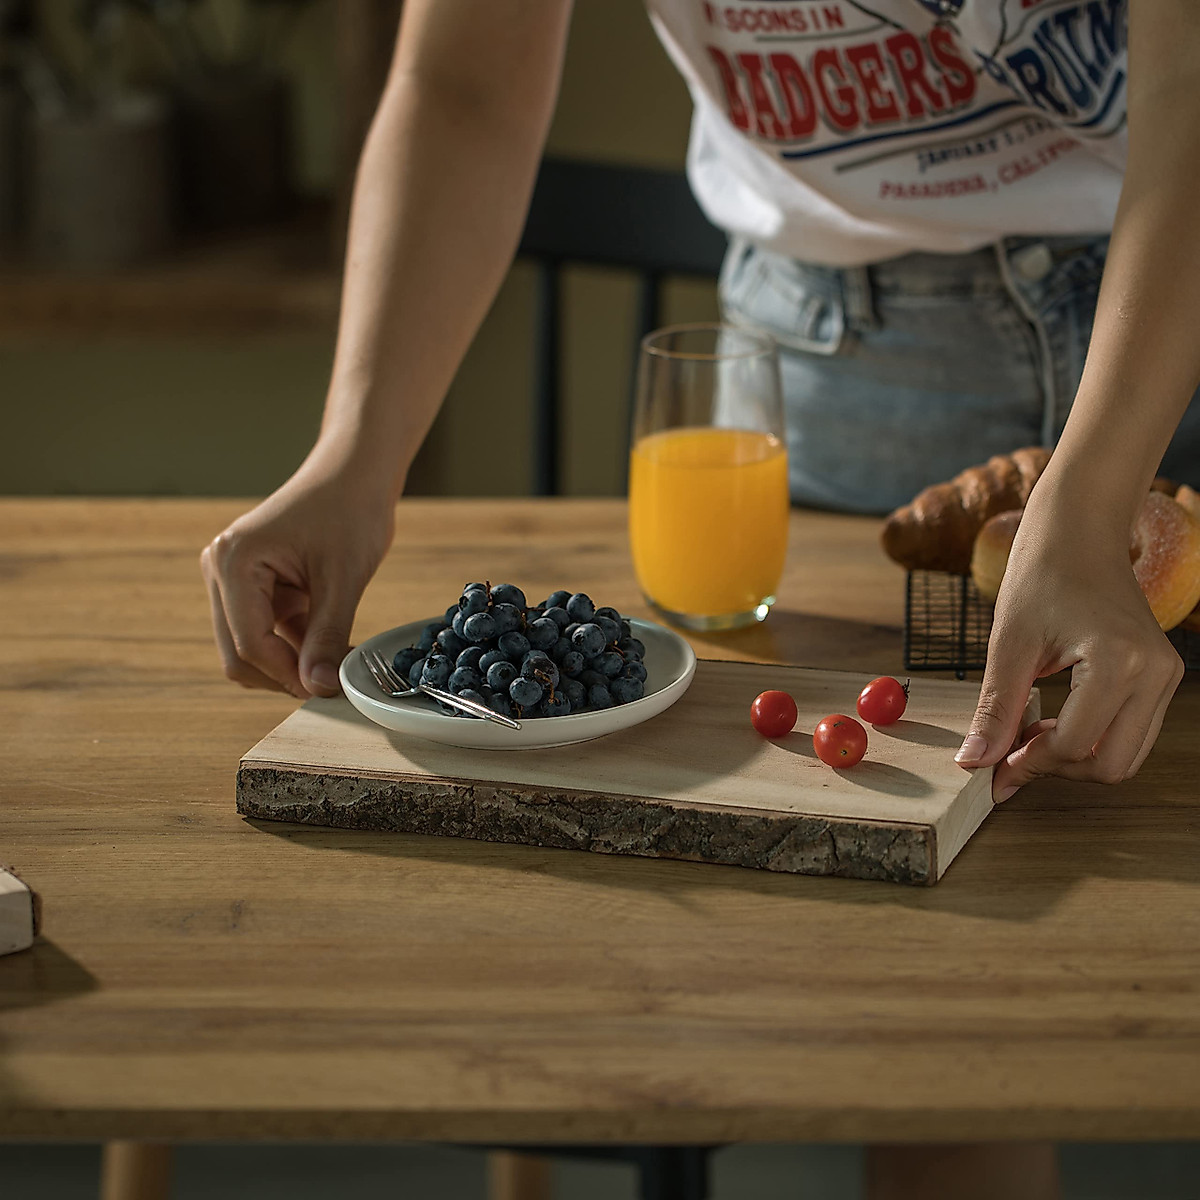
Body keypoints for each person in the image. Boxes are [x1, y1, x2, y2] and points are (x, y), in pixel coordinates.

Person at [200, 4, 1194, 1194]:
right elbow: (464, 86)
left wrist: (1092, 497)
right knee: (930, 1007)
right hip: (851, 358)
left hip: (1170, 300)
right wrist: (356, 456)